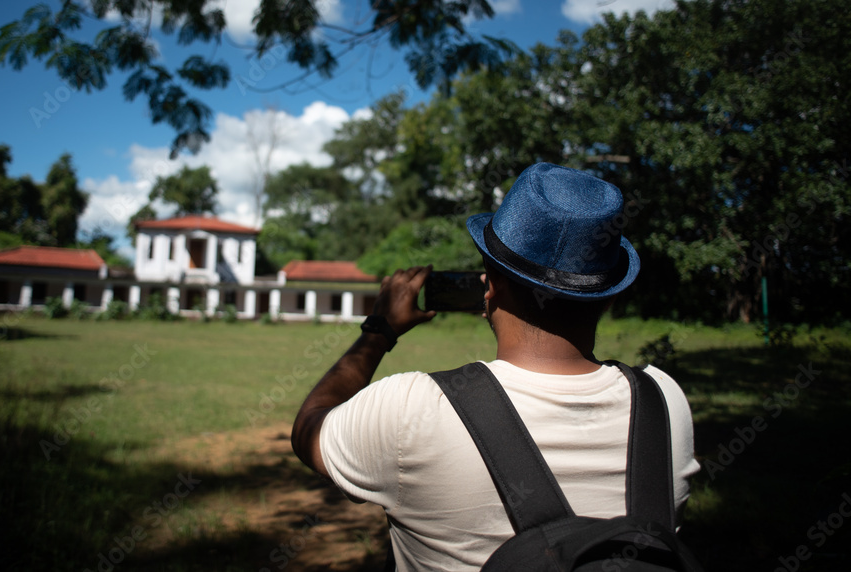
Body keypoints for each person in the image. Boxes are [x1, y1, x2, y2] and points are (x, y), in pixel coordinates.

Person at [291, 162, 701, 571]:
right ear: (609, 298)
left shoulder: (411, 409)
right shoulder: (665, 403)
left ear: (489, 287)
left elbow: (309, 428)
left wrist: (378, 330)